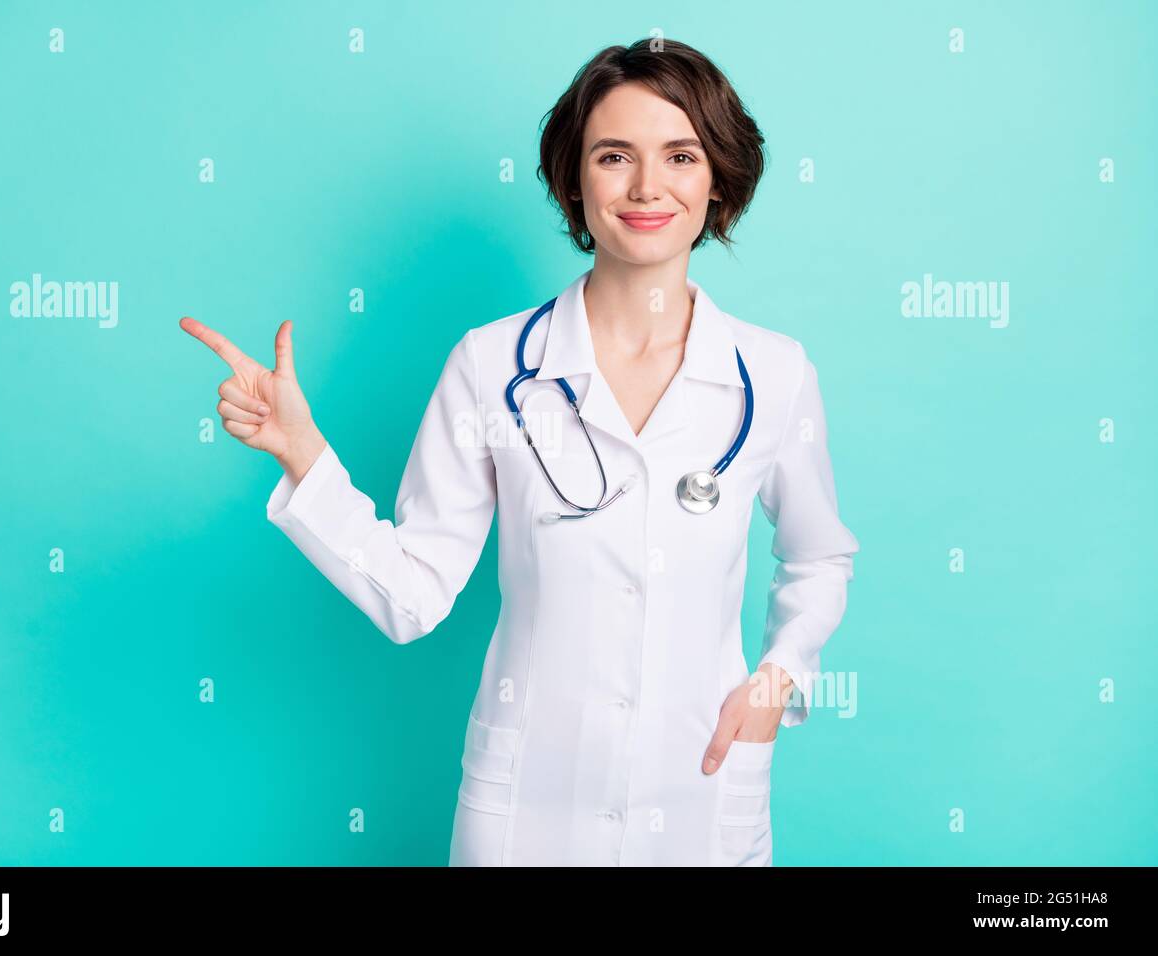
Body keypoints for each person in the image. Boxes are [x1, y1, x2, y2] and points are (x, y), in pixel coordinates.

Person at [180, 37, 859, 866]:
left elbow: (819, 556)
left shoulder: (775, 374)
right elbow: (413, 594)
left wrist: (777, 678)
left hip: (702, 796)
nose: (648, 187)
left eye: (680, 155)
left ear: (717, 176)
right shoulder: (492, 365)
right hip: (528, 811)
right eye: (615, 156)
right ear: (575, 180)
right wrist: (304, 456)